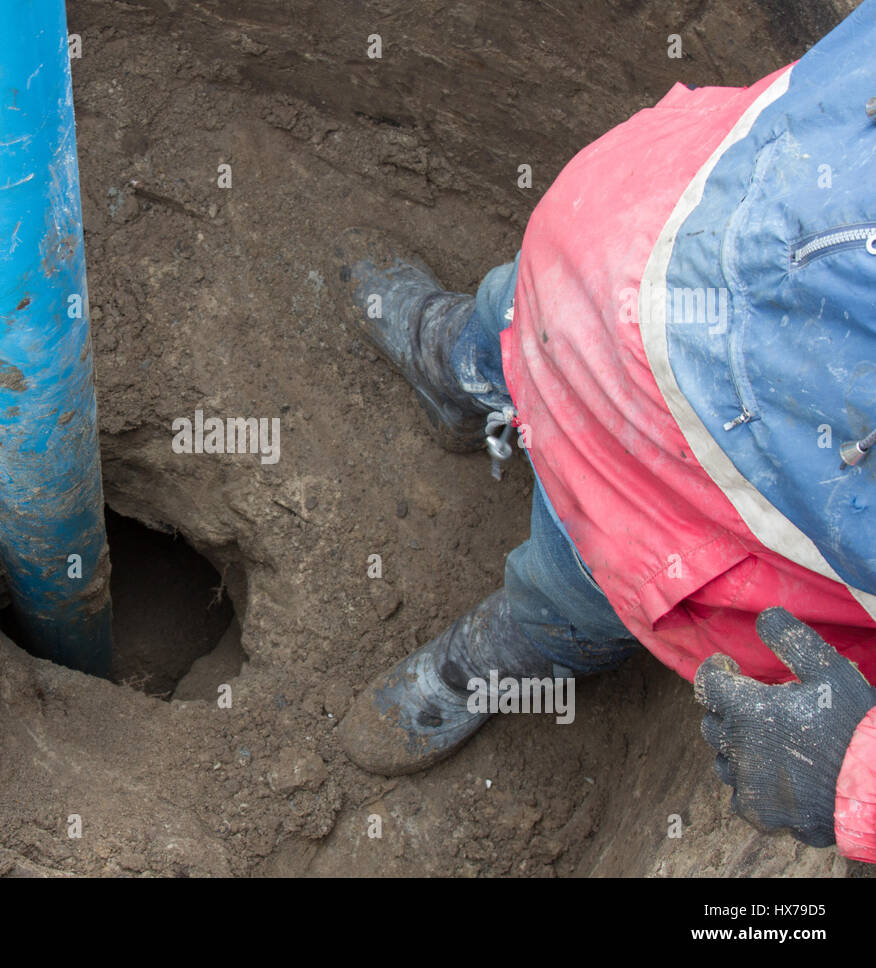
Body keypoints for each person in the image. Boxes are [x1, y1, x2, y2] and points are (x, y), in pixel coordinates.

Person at [335, 0, 876, 862]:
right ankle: (461, 371)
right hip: (653, 221)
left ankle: (496, 657)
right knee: (517, 309)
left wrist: (857, 780)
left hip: (710, 511)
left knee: (578, 582)